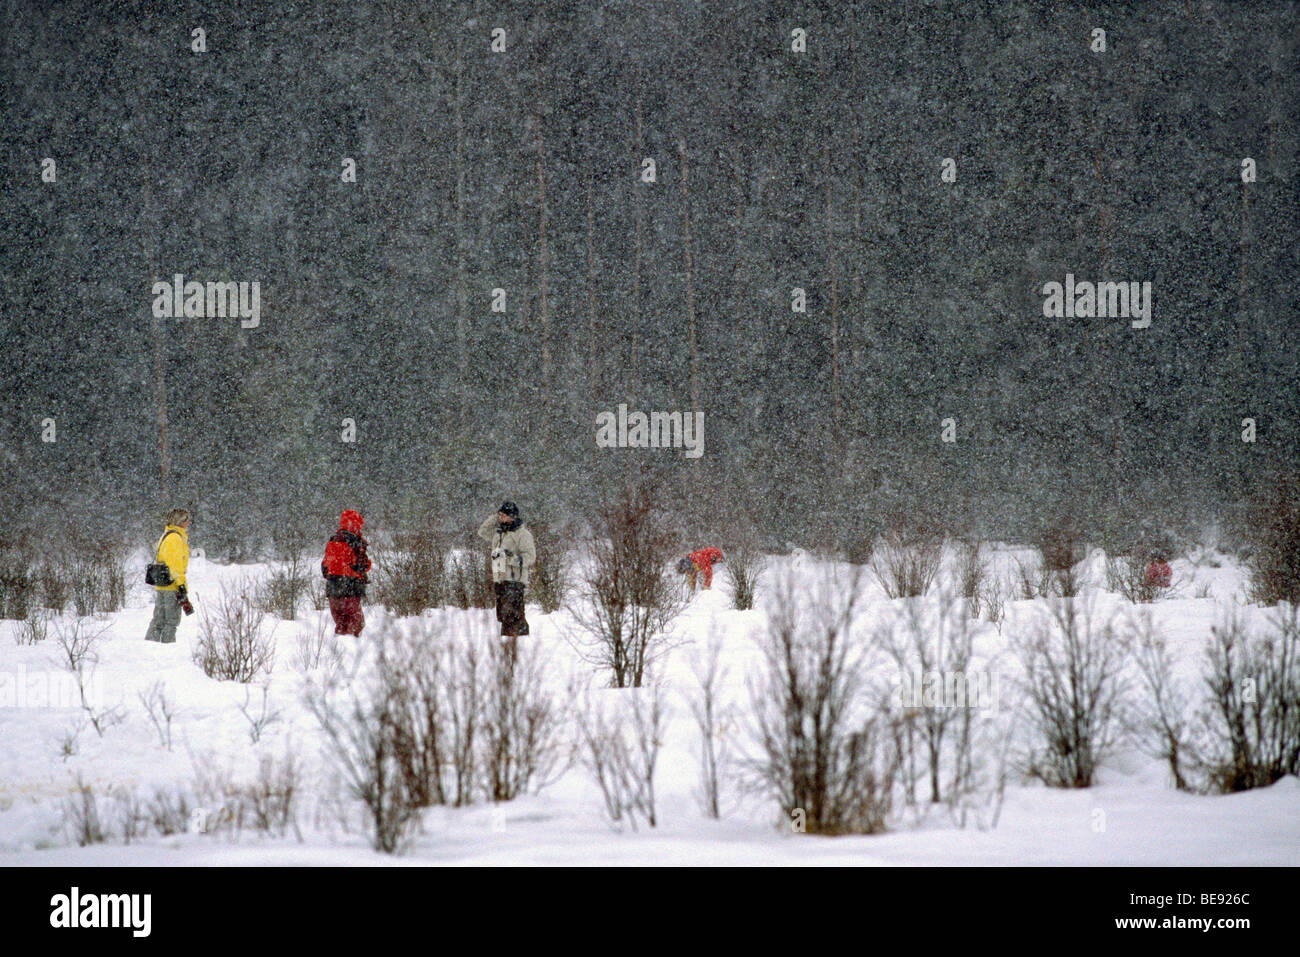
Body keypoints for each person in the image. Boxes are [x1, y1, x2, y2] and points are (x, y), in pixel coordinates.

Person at [477, 501, 536, 639]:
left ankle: (520, 642)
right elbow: (482, 531)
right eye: (500, 515)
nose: (500, 518)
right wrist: (494, 517)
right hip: (500, 579)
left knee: (514, 616)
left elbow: (530, 557)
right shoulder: (499, 533)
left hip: (515, 580)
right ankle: (508, 644)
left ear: (512, 516)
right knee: (503, 615)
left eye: (503, 515)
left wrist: (509, 558)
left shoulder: (523, 534)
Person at [145, 508, 193, 644]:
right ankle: (167, 646)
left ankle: (150, 644)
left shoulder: (166, 535)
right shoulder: (175, 538)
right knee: (172, 620)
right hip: (172, 585)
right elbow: (175, 565)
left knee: (158, 619)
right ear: (180, 521)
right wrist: (181, 586)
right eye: (186, 519)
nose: (189, 522)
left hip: (162, 585)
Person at [321, 509, 371, 636]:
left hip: (332, 589)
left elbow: (324, 568)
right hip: (351, 589)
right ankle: (352, 652)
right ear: (357, 524)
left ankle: (338, 651)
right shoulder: (355, 542)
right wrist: (368, 564)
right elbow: (361, 565)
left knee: (341, 625)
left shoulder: (333, 541)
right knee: (356, 624)